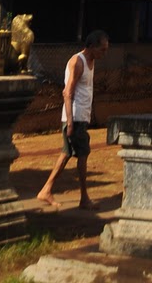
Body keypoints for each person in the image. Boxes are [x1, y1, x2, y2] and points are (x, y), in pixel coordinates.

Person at [36, 29, 109, 210]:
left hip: (80, 116)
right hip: (74, 117)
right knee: (81, 154)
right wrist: (69, 122)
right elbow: (67, 92)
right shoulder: (78, 62)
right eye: (102, 50)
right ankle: (83, 197)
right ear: (91, 46)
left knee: (67, 153)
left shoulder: (91, 61)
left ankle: (47, 189)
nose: (104, 54)